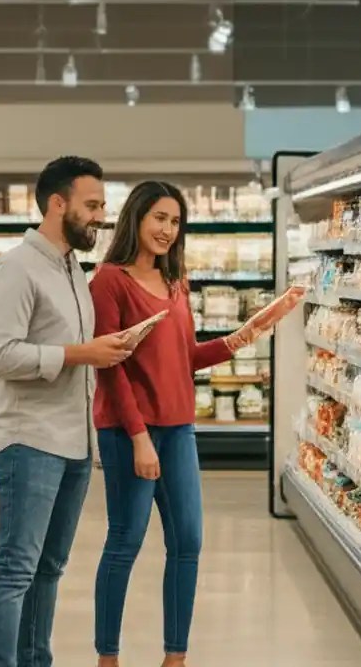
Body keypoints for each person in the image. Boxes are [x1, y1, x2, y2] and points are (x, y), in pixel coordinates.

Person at [89, 181, 304, 667]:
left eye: (175, 221)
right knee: (125, 541)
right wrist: (140, 438)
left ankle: (175, 657)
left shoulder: (176, 283)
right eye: (159, 218)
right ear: (137, 219)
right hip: (129, 432)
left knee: (188, 541)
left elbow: (184, 357)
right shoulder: (109, 280)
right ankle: (107, 657)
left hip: (180, 428)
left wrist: (247, 333)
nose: (168, 230)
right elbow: (111, 365)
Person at [0, 156, 134, 667]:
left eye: (102, 206)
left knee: (49, 569)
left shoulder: (71, 268)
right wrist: (79, 353)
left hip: (72, 443)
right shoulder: (16, 268)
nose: (100, 216)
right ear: (57, 204)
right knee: (15, 569)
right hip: (28, 441)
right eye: (91, 206)